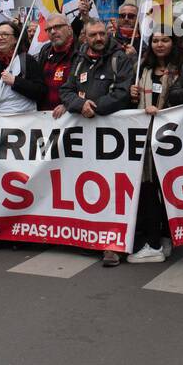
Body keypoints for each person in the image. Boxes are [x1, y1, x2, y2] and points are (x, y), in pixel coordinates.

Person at [57, 18, 135, 265]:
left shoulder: (120, 58)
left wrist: (96, 108)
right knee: (87, 189)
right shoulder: (79, 59)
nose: (99, 38)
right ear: (86, 38)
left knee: (114, 190)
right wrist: (80, 105)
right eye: (93, 35)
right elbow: (66, 91)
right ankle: (88, 235)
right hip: (85, 141)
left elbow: (123, 94)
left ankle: (113, 244)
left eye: (102, 33)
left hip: (113, 141)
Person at [127, 31, 183, 263]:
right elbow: (130, 102)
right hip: (146, 139)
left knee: (168, 190)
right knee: (148, 189)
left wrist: (165, 108)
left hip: (173, 138)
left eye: (165, 40)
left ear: (174, 43)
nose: (159, 44)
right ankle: (155, 242)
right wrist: (133, 97)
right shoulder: (142, 68)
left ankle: (162, 239)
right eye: (155, 40)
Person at [0, 21, 45, 120]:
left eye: (5, 34)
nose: (0, 38)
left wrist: (15, 81)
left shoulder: (26, 60)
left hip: (22, 123)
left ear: (16, 39)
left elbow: (41, 91)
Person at [35, 13, 79, 111]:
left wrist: (69, 104)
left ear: (69, 29)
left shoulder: (80, 51)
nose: (53, 31)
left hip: (72, 117)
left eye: (57, 27)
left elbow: (87, 86)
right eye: (49, 29)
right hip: (45, 117)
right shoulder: (45, 51)